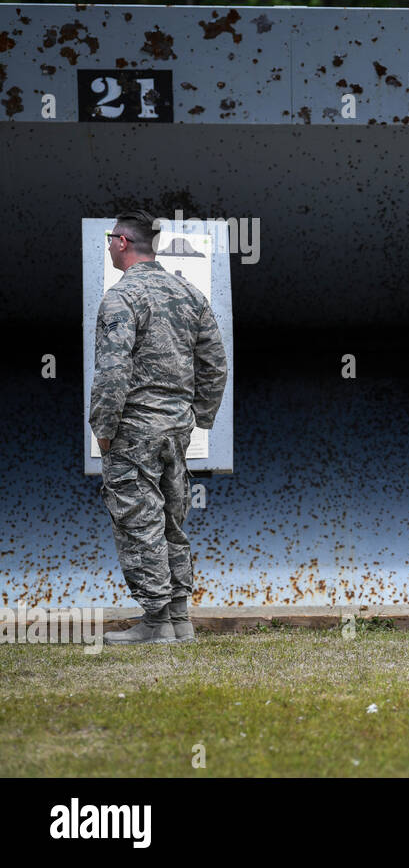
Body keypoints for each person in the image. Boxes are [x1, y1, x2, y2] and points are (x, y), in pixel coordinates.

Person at [92, 210, 228, 644]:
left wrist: (104, 426)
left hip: (134, 429)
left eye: (111, 239)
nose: (109, 245)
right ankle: (180, 619)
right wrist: (198, 417)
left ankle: (155, 623)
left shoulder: (121, 297)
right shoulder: (189, 293)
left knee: (138, 520)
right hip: (176, 430)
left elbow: (113, 372)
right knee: (173, 519)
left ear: (121, 243)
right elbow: (216, 366)